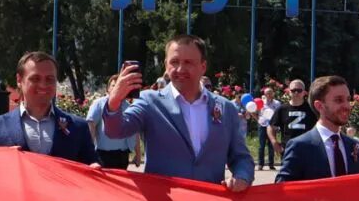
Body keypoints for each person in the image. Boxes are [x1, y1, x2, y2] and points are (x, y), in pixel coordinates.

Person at [103, 34, 254, 190]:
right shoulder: (150, 102)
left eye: (188, 62)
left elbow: (241, 157)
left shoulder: (225, 108)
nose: (180, 69)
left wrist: (241, 177)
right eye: (174, 62)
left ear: (203, 66)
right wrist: (114, 101)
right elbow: (116, 131)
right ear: (166, 66)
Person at [0, 51, 99, 166]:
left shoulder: (78, 127)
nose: (43, 85)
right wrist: (3, 157)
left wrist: (95, 168)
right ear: (19, 80)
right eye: (35, 79)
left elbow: (91, 165)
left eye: (49, 79)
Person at [275, 76, 359, 182]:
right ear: (319, 106)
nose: (346, 106)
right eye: (338, 100)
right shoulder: (300, 147)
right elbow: (282, 191)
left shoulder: (354, 147)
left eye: (347, 99)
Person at [87, 74, 141, 170]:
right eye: (114, 85)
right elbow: (91, 127)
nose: (117, 88)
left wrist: (138, 154)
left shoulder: (129, 106)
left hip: (123, 155)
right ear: (108, 89)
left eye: (120, 85)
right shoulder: (99, 104)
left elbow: (135, 131)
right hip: (103, 156)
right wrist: (88, 154)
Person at [268, 79, 317, 156]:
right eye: (293, 90)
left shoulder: (312, 109)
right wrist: (274, 142)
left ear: (304, 92)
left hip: (309, 150)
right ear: (289, 92)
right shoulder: (282, 109)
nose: (296, 93)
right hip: (288, 150)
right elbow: (271, 127)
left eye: (299, 90)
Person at [256, 86, 281, 171]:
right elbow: (254, 112)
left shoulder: (277, 103)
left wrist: (278, 126)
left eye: (270, 93)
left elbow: (279, 115)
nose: (269, 94)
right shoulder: (261, 103)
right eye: (267, 93)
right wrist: (258, 120)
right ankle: (260, 164)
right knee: (261, 145)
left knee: (272, 145)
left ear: (273, 93)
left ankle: (271, 164)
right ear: (265, 94)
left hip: (272, 126)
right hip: (262, 125)